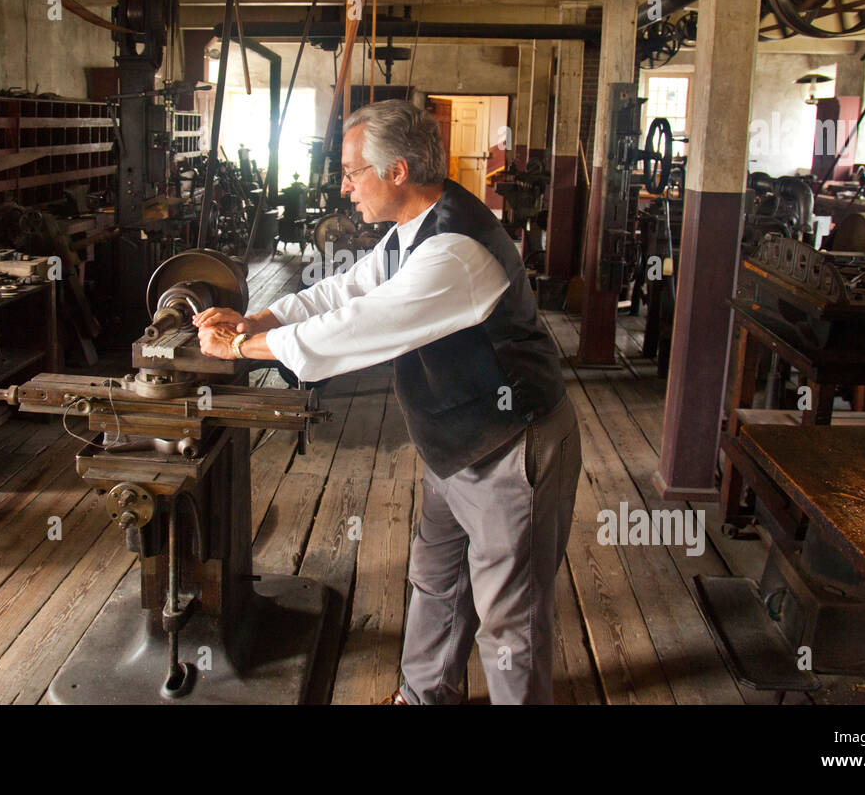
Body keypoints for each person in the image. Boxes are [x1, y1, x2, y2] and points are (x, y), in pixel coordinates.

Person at [195, 99, 580, 704]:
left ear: (397, 171)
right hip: (452, 440)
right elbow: (346, 289)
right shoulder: (412, 229)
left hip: (512, 445)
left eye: (353, 173)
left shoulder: (457, 250)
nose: (345, 188)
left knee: (512, 618)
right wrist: (257, 317)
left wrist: (244, 349)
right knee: (437, 582)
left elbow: (358, 328)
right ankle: (425, 696)